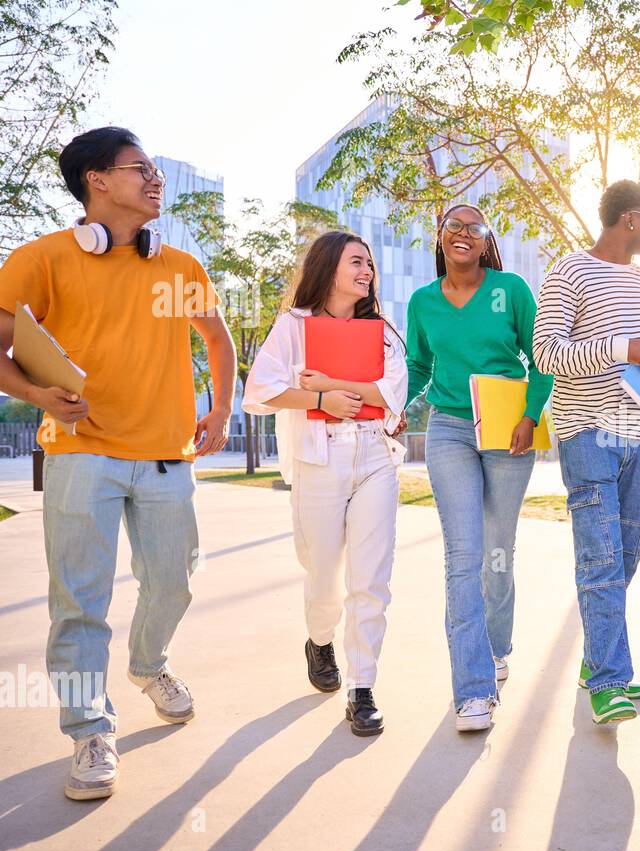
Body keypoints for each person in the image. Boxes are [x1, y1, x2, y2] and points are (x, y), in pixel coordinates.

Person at [0, 126, 235, 799]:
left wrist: (218, 412)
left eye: (156, 170)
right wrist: (33, 392)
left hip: (166, 456)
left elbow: (217, 340)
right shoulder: (40, 260)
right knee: (80, 605)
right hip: (81, 454)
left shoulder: (181, 268)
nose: (155, 180)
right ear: (96, 180)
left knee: (174, 582)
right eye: (141, 169)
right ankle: (89, 732)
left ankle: (148, 663)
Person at [532, 180, 640, 725]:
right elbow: (547, 354)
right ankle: (608, 681)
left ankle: (599, 659)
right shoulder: (568, 271)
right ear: (630, 220)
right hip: (586, 431)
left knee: (625, 555)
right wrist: (626, 348)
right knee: (600, 557)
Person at [242, 231, 407, 735]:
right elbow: (261, 390)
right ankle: (319, 639)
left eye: (371, 264)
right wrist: (318, 402)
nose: (367, 272)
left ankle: (362, 688)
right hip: (320, 457)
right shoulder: (294, 325)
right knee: (324, 577)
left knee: (371, 579)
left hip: (375, 454)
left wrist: (331, 385)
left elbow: (390, 391)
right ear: (328, 265)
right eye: (357, 261)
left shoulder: (380, 330)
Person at [405, 203, 553, 732]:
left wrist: (530, 416)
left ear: (487, 240)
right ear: (440, 237)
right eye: (453, 225)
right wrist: (402, 406)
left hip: (507, 428)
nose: (463, 233)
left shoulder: (510, 289)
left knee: (496, 549)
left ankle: (497, 645)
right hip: (448, 430)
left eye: (475, 227)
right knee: (463, 554)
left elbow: (541, 358)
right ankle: (472, 690)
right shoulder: (423, 302)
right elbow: (419, 365)